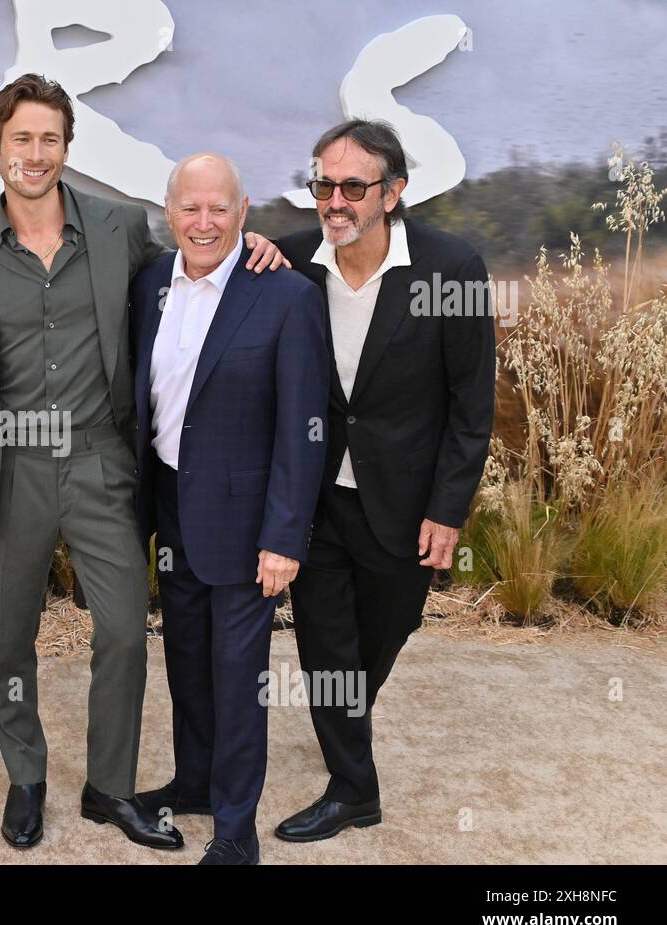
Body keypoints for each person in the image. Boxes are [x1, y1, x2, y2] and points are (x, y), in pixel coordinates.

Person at [0, 74, 284, 851]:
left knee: (122, 631)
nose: (35, 153)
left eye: (50, 138)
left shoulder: (120, 230)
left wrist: (259, 243)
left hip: (100, 464)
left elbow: (195, 272)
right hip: (9, 466)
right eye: (21, 138)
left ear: (66, 148)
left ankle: (108, 787)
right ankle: (26, 777)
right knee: (8, 641)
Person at [274, 119, 495, 842]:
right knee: (323, 639)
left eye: (352, 187)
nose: (334, 201)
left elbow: (472, 404)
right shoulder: (294, 260)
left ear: (393, 192)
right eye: (323, 185)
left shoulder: (450, 270)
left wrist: (448, 508)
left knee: (386, 628)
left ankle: (344, 724)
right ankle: (353, 789)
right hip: (314, 494)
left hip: (403, 500)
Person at [130, 153, 329, 864]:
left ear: (244, 213)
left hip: (248, 526)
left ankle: (236, 831)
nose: (205, 222)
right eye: (191, 208)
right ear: (170, 211)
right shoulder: (151, 282)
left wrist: (284, 538)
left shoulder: (286, 296)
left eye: (220, 209)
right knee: (186, 658)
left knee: (239, 674)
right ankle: (193, 782)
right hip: (171, 506)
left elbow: (304, 430)